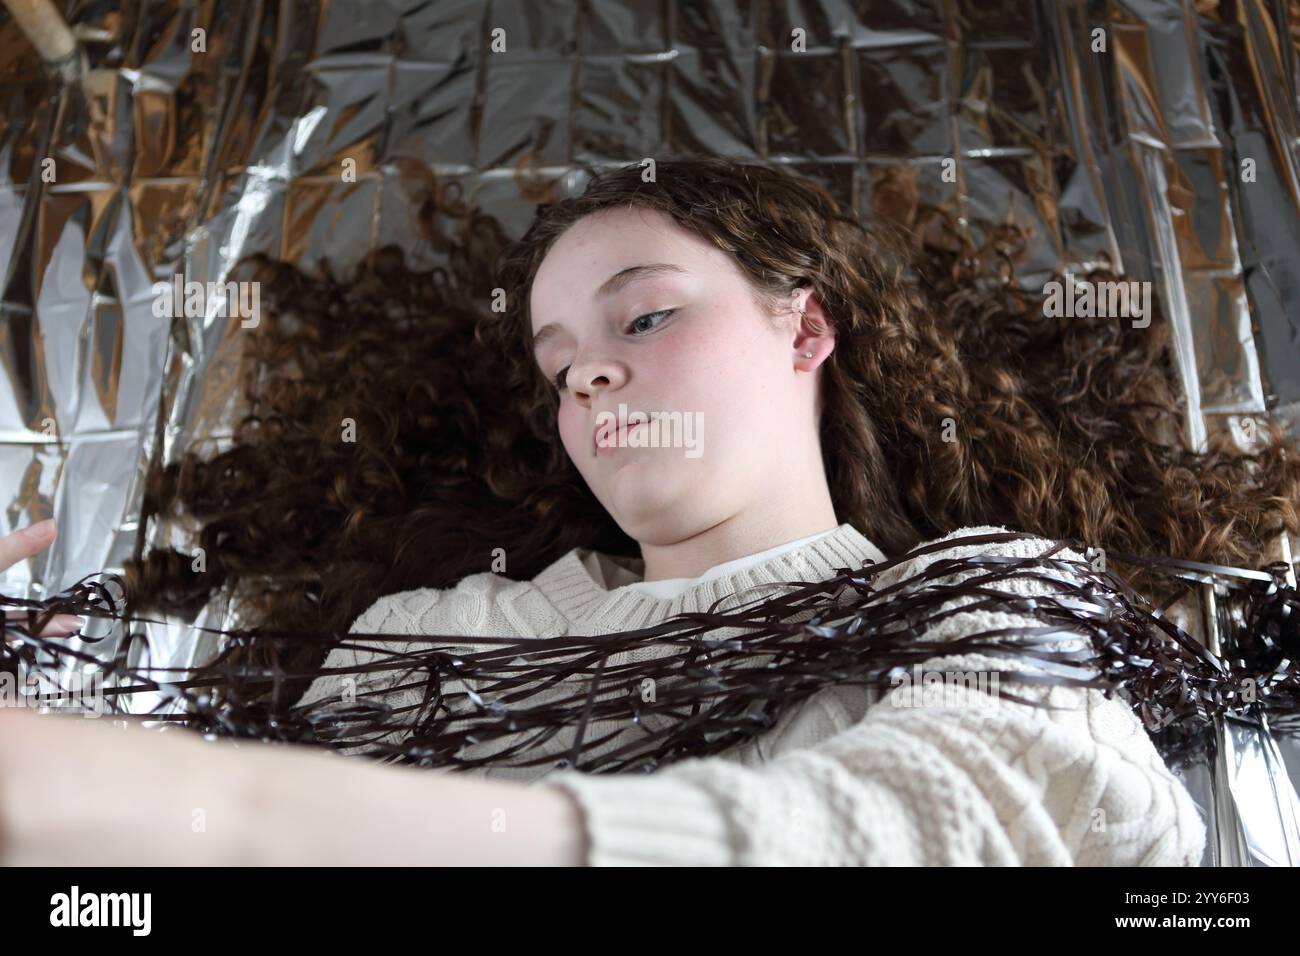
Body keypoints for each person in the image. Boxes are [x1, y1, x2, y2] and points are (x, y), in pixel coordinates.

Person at [11, 157, 1294, 865]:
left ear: (808, 324)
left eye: (644, 314)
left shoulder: (989, 607)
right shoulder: (433, 636)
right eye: (561, 362)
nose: (594, 374)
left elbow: (901, 830)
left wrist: (229, 817)